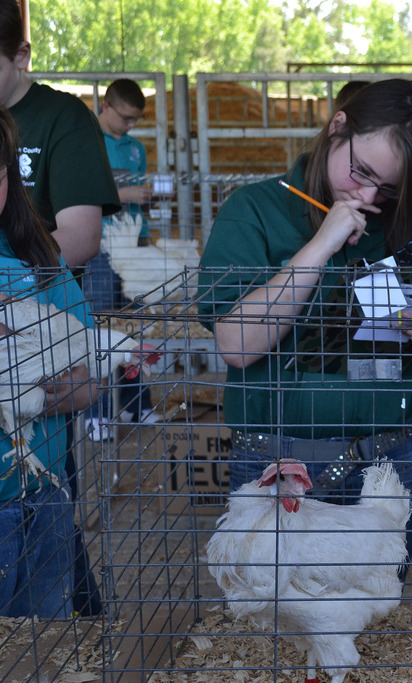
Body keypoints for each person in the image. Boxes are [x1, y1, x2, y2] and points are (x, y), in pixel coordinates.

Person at [197, 79, 412, 566]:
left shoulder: (404, 223)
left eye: (386, 187)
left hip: (385, 464)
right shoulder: (253, 211)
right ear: (336, 127)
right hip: (275, 460)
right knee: (278, 620)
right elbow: (237, 345)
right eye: (361, 172)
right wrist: (322, 245)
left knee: (373, 616)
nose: (367, 194)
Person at [0, 0, 120, 618]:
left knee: (42, 608)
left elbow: (79, 237)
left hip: (32, 475)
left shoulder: (61, 119)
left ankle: (77, 608)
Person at [0, 105, 97, 618]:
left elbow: (89, 376)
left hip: (45, 497)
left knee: (43, 646)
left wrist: (68, 386)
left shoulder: (38, 262)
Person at [0, 0, 120, 267]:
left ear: (22, 55)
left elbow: (82, 236)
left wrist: (10, 276)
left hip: (39, 300)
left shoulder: (65, 118)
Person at [83, 78, 156, 442]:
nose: (130, 125)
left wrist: (145, 239)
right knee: (98, 329)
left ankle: (136, 402)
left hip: (132, 247)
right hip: (98, 247)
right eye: (125, 118)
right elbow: (79, 192)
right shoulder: (84, 142)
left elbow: (138, 194)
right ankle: (95, 413)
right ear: (106, 107)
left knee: (135, 327)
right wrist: (124, 193)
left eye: (135, 120)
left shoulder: (135, 148)